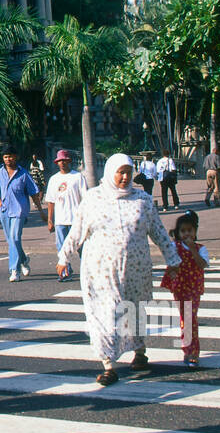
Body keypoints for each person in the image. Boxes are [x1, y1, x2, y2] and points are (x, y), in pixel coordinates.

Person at [57, 153, 181, 386]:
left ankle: (140, 353)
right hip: (101, 271)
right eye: (120, 172)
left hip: (137, 271)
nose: (124, 177)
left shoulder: (142, 200)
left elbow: (159, 233)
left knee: (134, 311)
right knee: (106, 315)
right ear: (110, 172)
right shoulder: (93, 198)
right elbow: (77, 230)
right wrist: (64, 256)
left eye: (128, 172)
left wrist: (173, 260)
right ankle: (108, 365)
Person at [160, 211, 209, 368]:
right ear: (178, 233)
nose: (187, 234)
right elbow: (170, 261)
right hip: (180, 287)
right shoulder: (175, 246)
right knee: (186, 318)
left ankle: (191, 350)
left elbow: (202, 264)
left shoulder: (201, 249)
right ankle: (189, 349)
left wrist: (192, 249)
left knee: (190, 318)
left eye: (190, 230)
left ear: (195, 232)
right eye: (183, 231)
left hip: (194, 288)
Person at [0, 146, 45, 281]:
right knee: (11, 241)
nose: (8, 159)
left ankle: (14, 270)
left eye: (10, 156)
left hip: (19, 210)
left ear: (16, 157)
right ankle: (24, 259)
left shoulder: (24, 174)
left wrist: (41, 211)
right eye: (5, 157)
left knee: (15, 238)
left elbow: (34, 193)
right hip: (4, 211)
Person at [44, 150, 86, 280]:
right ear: (57, 163)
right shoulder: (54, 179)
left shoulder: (78, 177)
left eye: (64, 160)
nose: (62, 163)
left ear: (69, 161)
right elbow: (51, 201)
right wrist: (50, 220)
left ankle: (88, 272)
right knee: (62, 248)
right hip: (61, 220)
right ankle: (65, 272)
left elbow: (85, 199)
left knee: (81, 248)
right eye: (60, 161)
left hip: (76, 220)